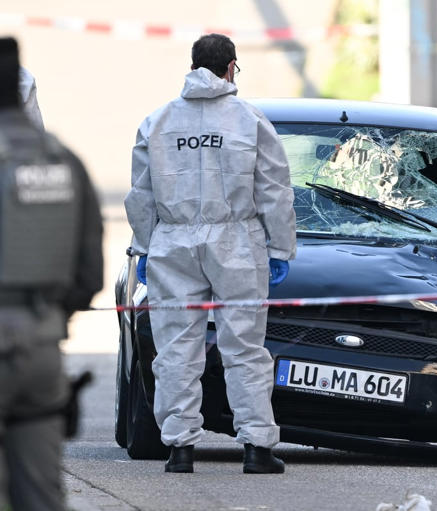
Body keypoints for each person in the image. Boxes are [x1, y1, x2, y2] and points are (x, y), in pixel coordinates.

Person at [124, 33, 296, 474]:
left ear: (192, 66)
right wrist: (280, 247)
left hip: (173, 243)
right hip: (236, 242)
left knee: (176, 348)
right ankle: (257, 447)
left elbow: (141, 195)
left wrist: (144, 247)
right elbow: (274, 190)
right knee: (245, 347)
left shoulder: (158, 121)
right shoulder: (250, 120)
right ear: (231, 67)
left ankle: (180, 449)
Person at [0, 37, 103, 509]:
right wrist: (44, 318)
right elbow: (89, 275)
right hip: (42, 352)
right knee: (41, 493)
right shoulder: (64, 160)